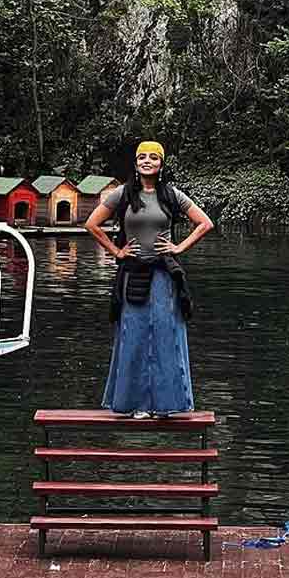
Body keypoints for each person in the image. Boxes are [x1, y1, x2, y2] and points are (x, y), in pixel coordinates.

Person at [85, 141, 214, 418]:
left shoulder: (171, 194)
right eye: (141, 157)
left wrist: (179, 248)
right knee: (133, 335)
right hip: (133, 274)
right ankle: (135, 405)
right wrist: (117, 251)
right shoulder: (123, 193)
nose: (147, 161)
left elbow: (205, 223)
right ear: (135, 163)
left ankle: (167, 405)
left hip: (164, 275)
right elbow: (92, 224)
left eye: (153, 157)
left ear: (161, 164)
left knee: (167, 335)